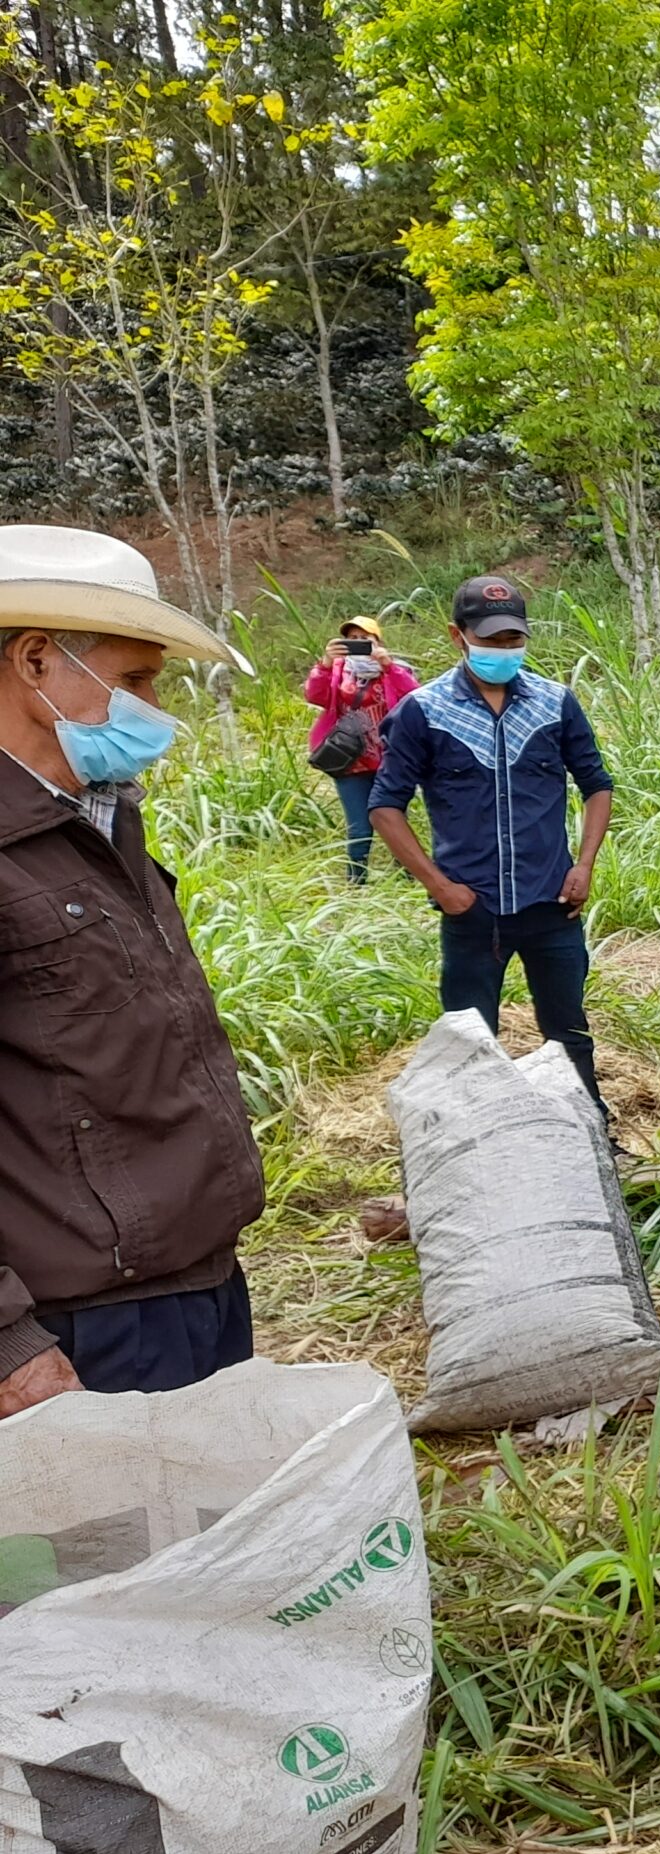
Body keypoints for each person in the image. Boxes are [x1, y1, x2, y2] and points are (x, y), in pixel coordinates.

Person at [0, 525, 266, 1415]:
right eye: (138, 680)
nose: (156, 708)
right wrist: (10, 1343)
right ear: (38, 663)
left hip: (190, 1276)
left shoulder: (99, 815)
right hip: (75, 1322)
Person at [369, 575, 614, 1112]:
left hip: (553, 904)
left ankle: (595, 1137)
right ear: (458, 637)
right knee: (471, 1043)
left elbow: (597, 785)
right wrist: (440, 885)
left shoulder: (556, 703)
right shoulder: (424, 711)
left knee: (568, 1034)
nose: (503, 651)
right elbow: (385, 806)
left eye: (513, 641)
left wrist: (585, 865)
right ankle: (477, 1149)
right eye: (490, 641)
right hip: (472, 910)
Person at [303, 614, 418, 885]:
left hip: (390, 758)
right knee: (359, 826)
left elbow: (415, 697)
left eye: (365, 639)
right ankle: (356, 880)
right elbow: (314, 696)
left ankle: (409, 875)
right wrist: (325, 664)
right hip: (349, 759)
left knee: (395, 820)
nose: (357, 643)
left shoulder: (394, 669)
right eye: (351, 639)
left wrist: (389, 667)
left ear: (378, 641)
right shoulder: (339, 670)